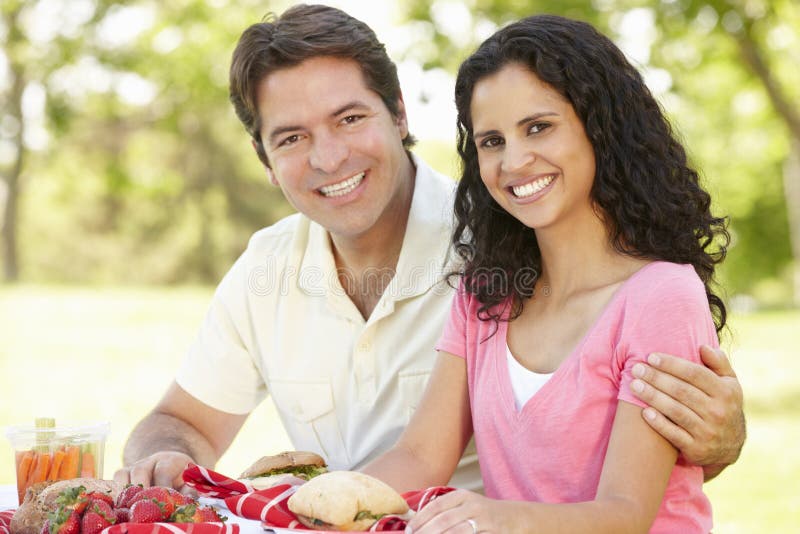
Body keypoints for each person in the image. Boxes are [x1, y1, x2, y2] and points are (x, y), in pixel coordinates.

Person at [114, 4, 745, 494]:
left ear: (399, 114)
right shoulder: (268, 267)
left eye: (350, 118)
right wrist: (161, 463)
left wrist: (717, 441)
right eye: (292, 137)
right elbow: (184, 423)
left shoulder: (510, 240)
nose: (329, 156)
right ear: (265, 161)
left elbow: (617, 463)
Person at [363, 14, 733, 533]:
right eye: (492, 141)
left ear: (599, 126)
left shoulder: (660, 295)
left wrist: (496, 517)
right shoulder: (485, 295)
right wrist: (306, 505)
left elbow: (626, 514)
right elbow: (421, 457)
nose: (514, 161)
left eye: (538, 127)